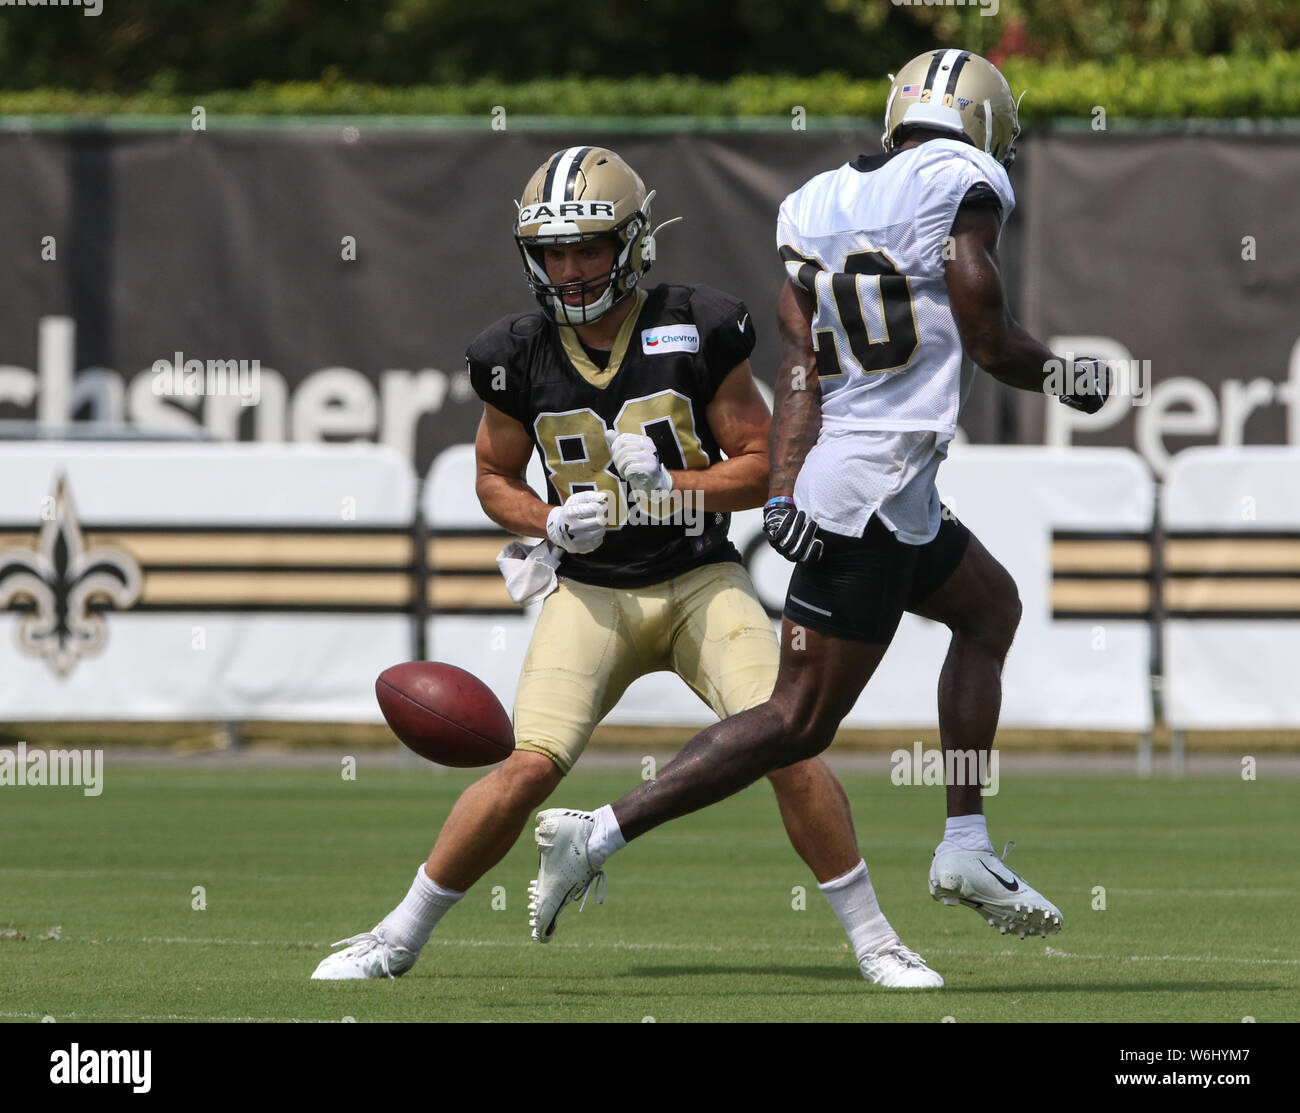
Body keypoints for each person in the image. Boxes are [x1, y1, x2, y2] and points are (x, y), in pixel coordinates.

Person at [312, 145, 943, 988]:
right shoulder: (514, 353)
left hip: (698, 582)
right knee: (528, 763)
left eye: (588, 248)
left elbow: (764, 466)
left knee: (788, 741)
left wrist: (673, 484)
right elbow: (493, 477)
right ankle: (395, 937)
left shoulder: (698, 324)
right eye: (554, 252)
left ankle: (876, 941)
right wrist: (549, 521)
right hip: (592, 594)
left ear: (633, 243)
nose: (570, 271)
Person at [530, 53, 1110, 948]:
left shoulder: (814, 203)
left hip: (866, 479)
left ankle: (964, 842)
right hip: (873, 492)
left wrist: (786, 480)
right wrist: (1070, 374)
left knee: (990, 609)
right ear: (983, 121)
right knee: (796, 720)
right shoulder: (962, 179)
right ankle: (597, 833)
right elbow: (989, 339)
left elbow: (799, 370)